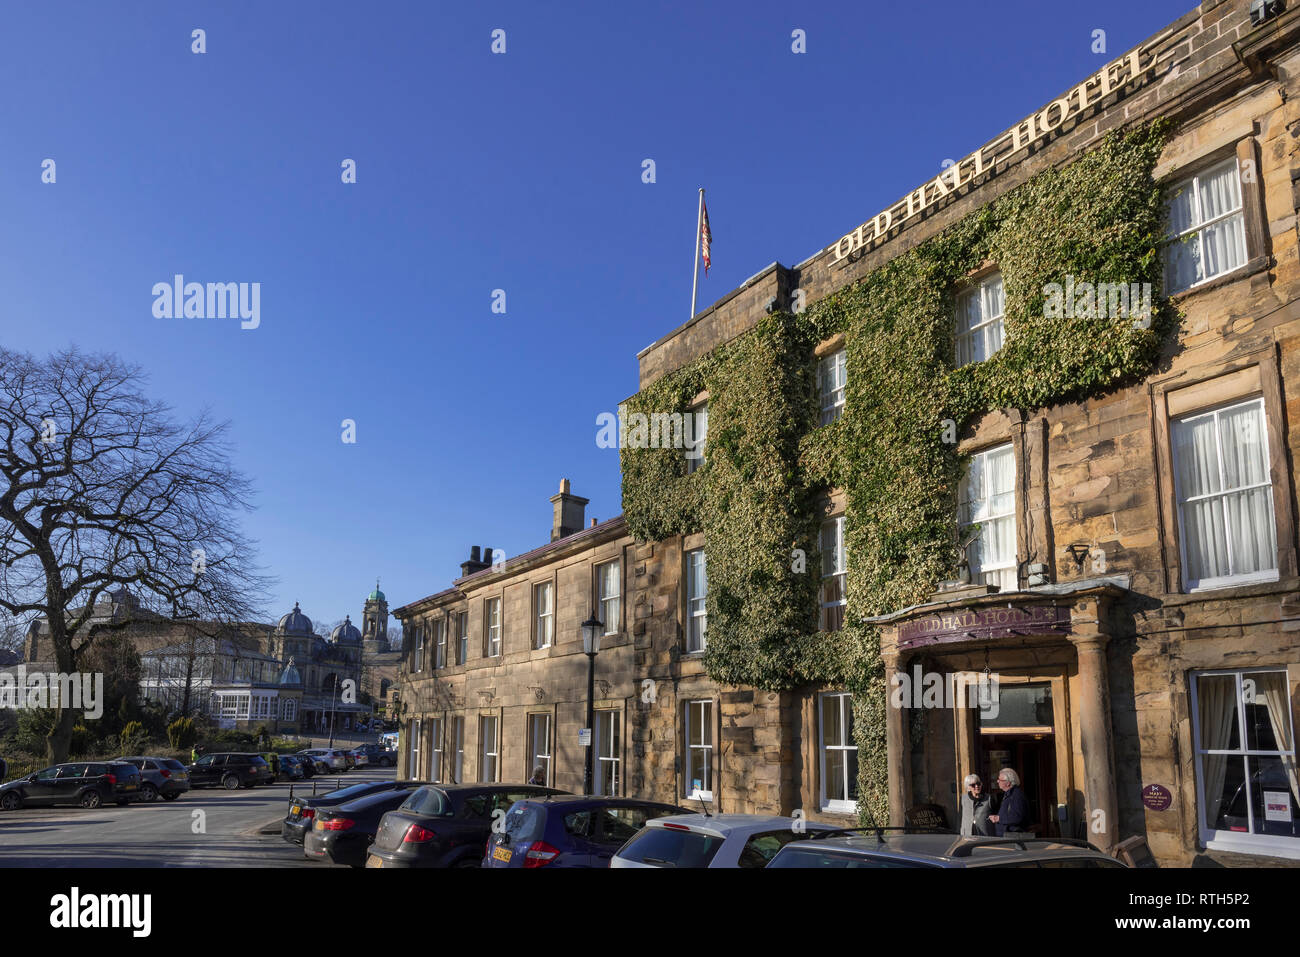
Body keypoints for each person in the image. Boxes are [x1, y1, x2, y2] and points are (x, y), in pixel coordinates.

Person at [988, 767, 1029, 836]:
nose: (998, 781)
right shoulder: (1009, 794)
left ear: (1008, 783)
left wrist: (999, 818)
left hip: (1012, 838)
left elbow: (1017, 817)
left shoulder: (1017, 795)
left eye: (1000, 780)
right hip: (1006, 837)